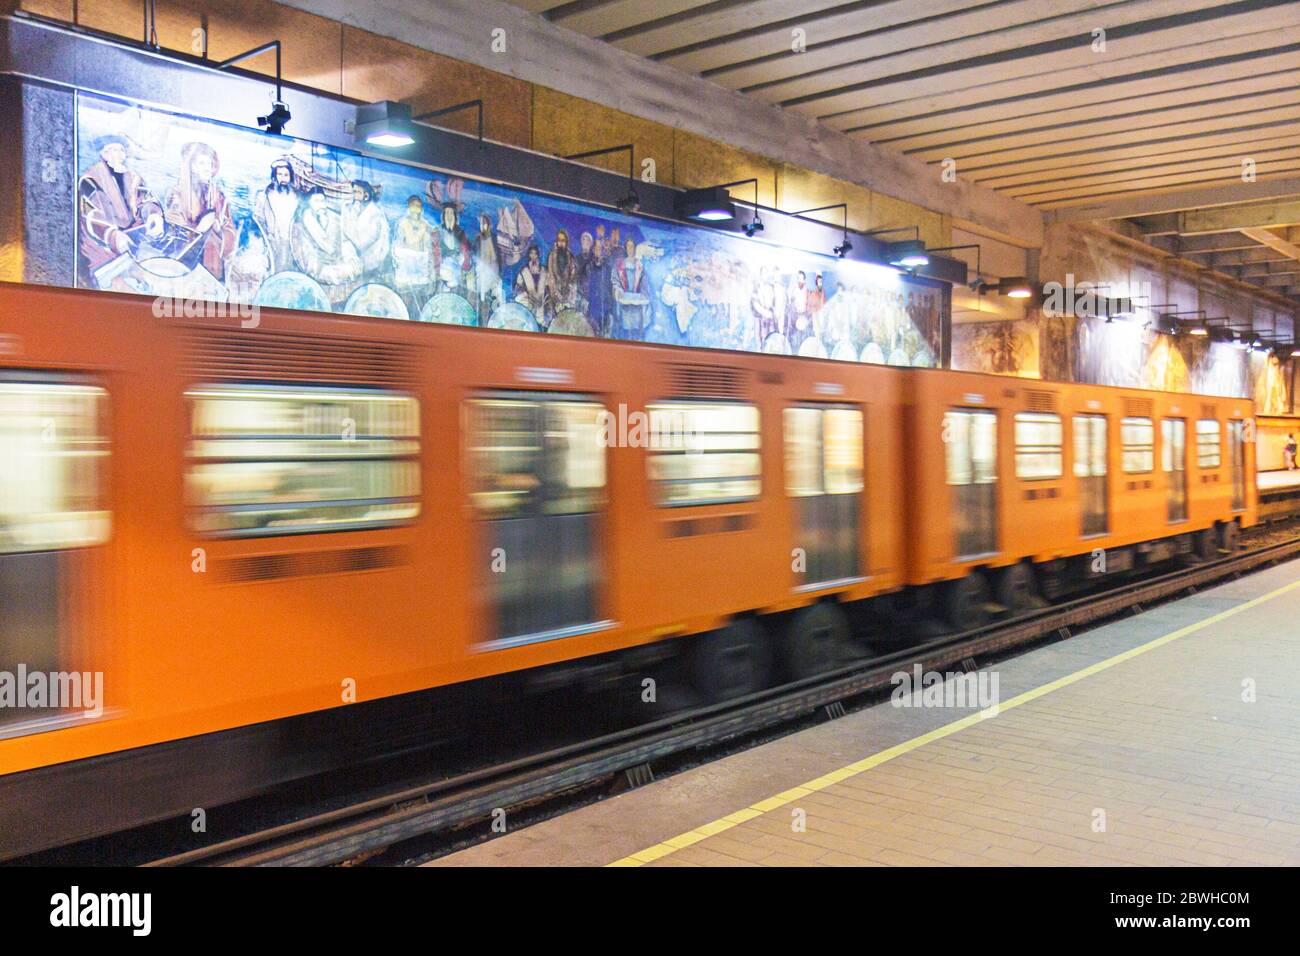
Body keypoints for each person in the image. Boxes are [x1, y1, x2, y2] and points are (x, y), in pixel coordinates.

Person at [77, 135, 164, 275]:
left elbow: (145, 200)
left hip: (133, 238)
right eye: (113, 150)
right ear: (103, 154)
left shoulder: (133, 177)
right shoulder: (89, 180)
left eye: (121, 150)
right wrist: (113, 236)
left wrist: (154, 215)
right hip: (102, 245)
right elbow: (90, 215)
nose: (119, 155)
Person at [164, 141, 237, 280]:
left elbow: (229, 228)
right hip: (186, 263)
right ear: (191, 166)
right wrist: (197, 229)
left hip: (213, 261)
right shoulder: (177, 193)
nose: (207, 168)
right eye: (202, 163)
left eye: (210, 164)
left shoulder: (219, 196)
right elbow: (173, 231)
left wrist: (217, 229)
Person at [252, 159, 300, 274]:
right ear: (274, 176)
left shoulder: (297, 197)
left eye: (286, 175)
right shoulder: (263, 196)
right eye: (279, 174)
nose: (283, 178)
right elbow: (258, 219)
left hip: (292, 243)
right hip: (272, 241)